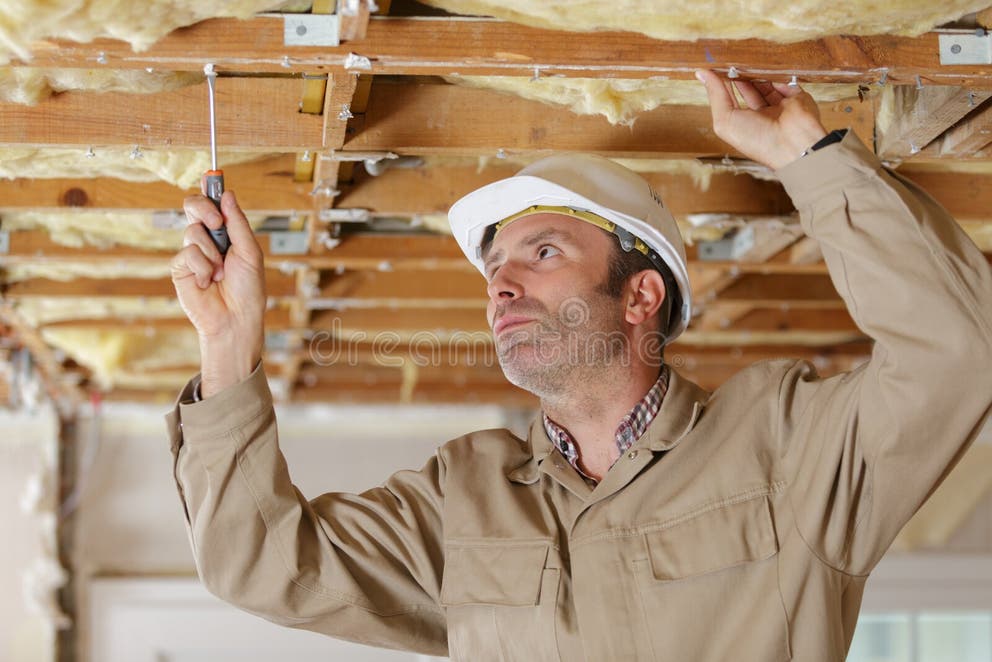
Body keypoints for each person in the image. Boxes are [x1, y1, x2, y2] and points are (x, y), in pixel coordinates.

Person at [166, 70, 992, 661]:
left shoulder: (787, 446)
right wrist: (228, 347)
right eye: (494, 271)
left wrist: (813, 159)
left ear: (640, 298)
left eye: (543, 250)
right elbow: (263, 565)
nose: (502, 285)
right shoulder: (466, 497)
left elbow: (960, 350)